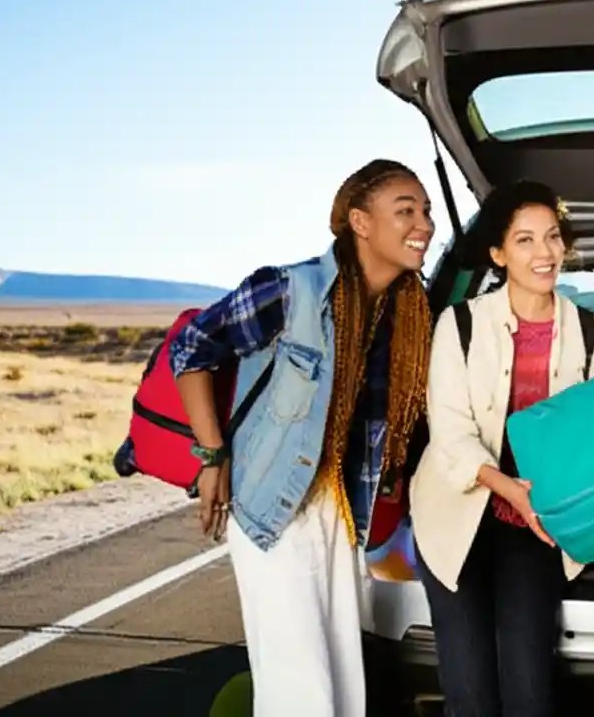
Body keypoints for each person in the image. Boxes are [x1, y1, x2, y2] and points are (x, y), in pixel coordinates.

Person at [169, 159, 435, 717]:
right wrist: (212, 455)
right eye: (406, 210)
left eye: (427, 211)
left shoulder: (408, 313)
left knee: (343, 686)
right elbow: (191, 347)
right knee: (301, 687)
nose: (424, 224)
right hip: (274, 507)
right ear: (360, 222)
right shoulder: (292, 290)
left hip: (340, 512)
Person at [410, 180, 594, 717]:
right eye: (525, 240)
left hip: (536, 527)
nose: (544, 252)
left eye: (552, 236)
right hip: (457, 520)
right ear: (499, 254)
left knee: (529, 693)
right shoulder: (459, 324)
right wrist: (506, 487)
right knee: (470, 695)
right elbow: (449, 430)